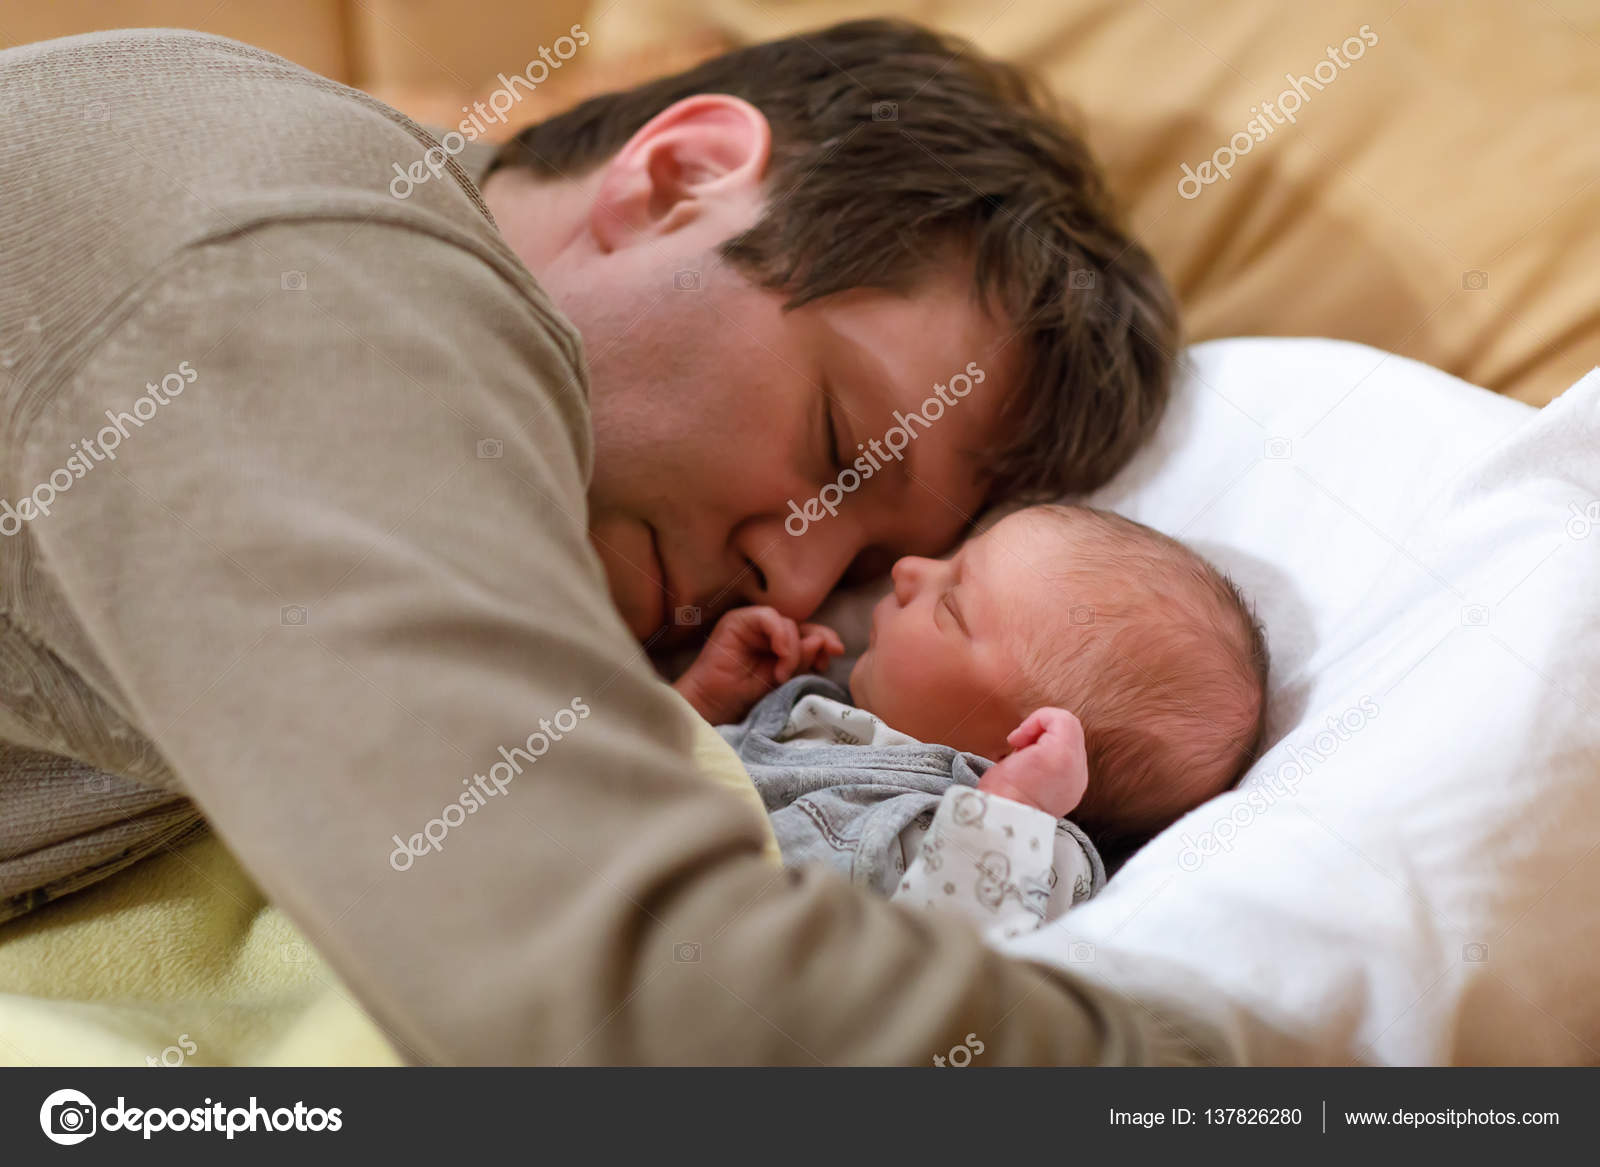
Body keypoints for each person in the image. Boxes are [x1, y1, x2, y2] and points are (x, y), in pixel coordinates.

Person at [0, 20, 1230, 1063]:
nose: (799, 575)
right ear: (682, 175)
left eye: (862, 566)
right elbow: (614, 990)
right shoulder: (303, 256)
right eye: (834, 439)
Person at [673, 504, 1269, 939]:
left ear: (1024, 745)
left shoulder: (1021, 853)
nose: (909, 570)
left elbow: (949, 970)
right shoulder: (808, 708)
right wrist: (703, 702)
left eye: (951, 605)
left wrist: (1012, 807)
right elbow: (626, 772)